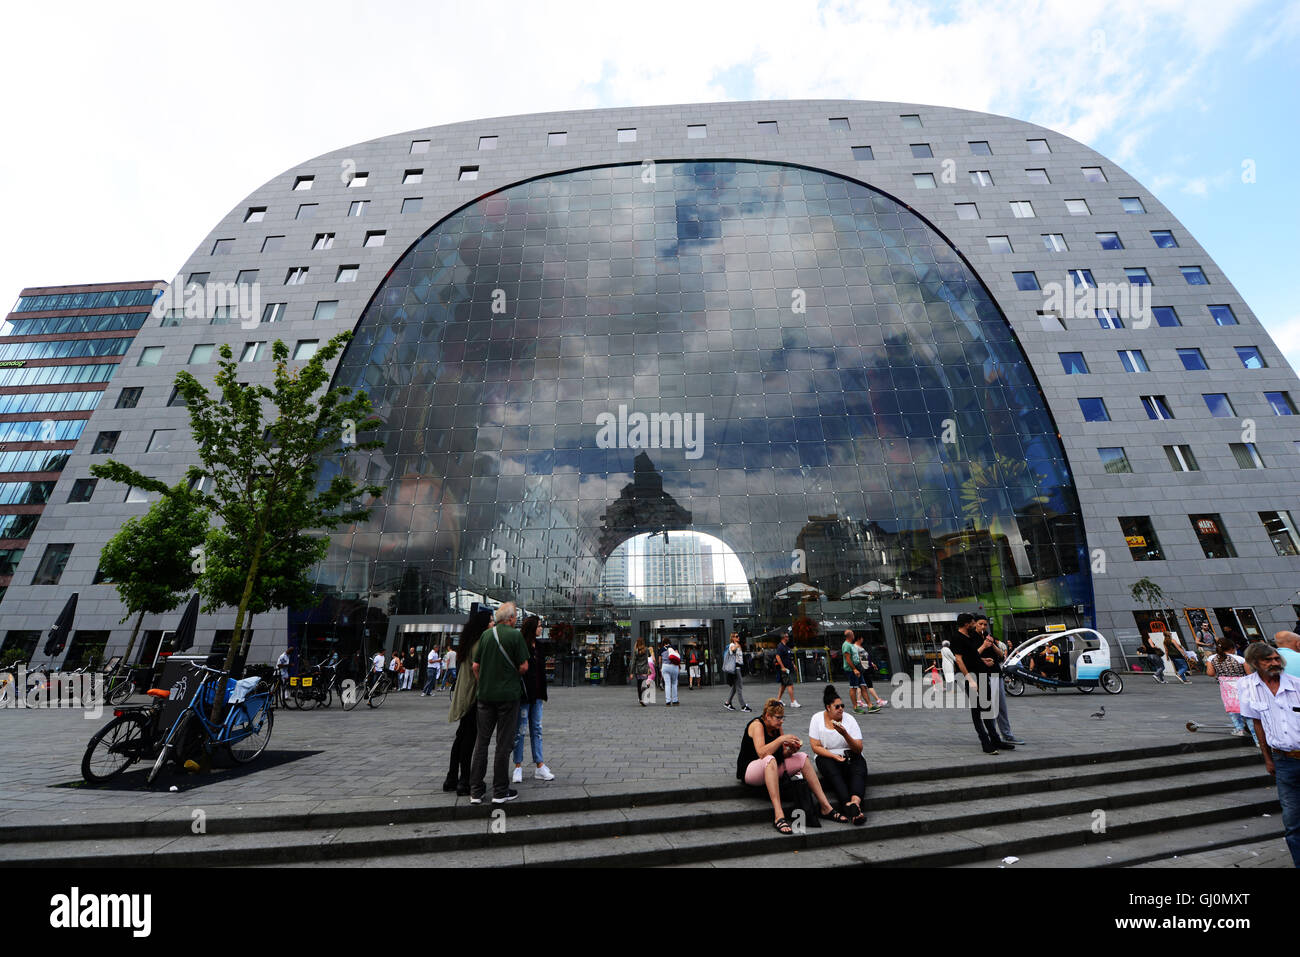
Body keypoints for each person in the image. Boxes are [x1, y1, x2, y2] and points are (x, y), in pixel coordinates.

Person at [736, 698, 848, 834]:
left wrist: (791, 750)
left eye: (782, 718)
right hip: (750, 770)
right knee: (769, 759)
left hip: (771, 766)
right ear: (767, 716)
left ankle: (826, 807)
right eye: (778, 718)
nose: (781, 721)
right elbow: (761, 753)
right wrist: (781, 739)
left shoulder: (777, 726)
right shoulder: (757, 725)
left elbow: (782, 753)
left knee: (802, 757)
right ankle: (779, 815)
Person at [1237, 642, 1300, 867]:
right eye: (1268, 660)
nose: (1274, 663)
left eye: (1276, 659)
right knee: (1292, 819)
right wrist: (1267, 758)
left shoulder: (1296, 684)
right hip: (1283, 760)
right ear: (1255, 663)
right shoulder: (1247, 686)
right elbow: (1257, 724)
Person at [469, 602, 530, 804]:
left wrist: (484, 682)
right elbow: (523, 666)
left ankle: (476, 791)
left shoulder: (486, 635)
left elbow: (475, 666)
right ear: (511, 619)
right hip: (508, 697)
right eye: (515, 618)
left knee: (481, 742)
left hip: (485, 697)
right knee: (503, 745)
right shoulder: (515, 635)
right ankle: (500, 791)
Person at [443, 609, 491, 795]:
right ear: (483, 624)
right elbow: (479, 670)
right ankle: (464, 780)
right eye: (490, 621)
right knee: (469, 738)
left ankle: (451, 777)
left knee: (461, 736)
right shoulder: (479, 643)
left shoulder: (467, 641)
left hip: (462, 693)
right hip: (472, 695)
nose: (493, 624)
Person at [950, 612, 1012, 755]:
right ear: (966, 624)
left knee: (987, 710)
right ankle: (985, 742)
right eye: (973, 622)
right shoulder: (957, 638)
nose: (974, 624)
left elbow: (971, 656)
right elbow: (959, 660)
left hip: (983, 676)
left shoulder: (969, 637)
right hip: (973, 678)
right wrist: (970, 680)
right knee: (977, 712)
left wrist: (984, 661)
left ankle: (995, 740)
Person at [807, 685, 867, 825]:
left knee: (859, 771)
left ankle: (855, 804)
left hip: (850, 754)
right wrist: (834, 756)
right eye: (837, 707)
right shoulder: (817, 719)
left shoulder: (849, 719)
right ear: (828, 707)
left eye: (842, 706)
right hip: (827, 756)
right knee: (834, 775)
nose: (841, 709)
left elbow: (858, 748)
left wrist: (845, 734)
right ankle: (848, 804)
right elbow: (815, 746)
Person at [511, 615, 554, 783]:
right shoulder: (521, 645)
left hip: (537, 695)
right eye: (539, 626)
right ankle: (518, 766)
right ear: (532, 627)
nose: (541, 628)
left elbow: (541, 673)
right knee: (520, 731)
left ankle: (539, 765)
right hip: (524, 695)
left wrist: (543, 693)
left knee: (536, 729)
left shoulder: (540, 646)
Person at [975, 615, 1023, 745]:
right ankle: (993, 736)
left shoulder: (988, 637)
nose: (983, 626)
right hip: (984, 676)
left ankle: (1007, 734)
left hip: (996, 674)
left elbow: (1002, 656)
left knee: (1001, 706)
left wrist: (993, 645)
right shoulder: (972, 638)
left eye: (985, 624)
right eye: (981, 624)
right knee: (990, 707)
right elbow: (972, 657)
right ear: (975, 624)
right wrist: (984, 647)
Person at [1205, 638, 1256, 741]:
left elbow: (1210, 673)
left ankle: (1239, 729)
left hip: (1226, 687)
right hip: (1242, 686)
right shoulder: (1239, 659)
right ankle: (1256, 737)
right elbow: (1250, 674)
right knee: (1247, 711)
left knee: (1233, 709)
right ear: (1232, 648)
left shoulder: (1212, 659)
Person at [854, 633, 887, 710]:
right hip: (863, 669)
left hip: (864, 668)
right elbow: (863, 659)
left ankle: (859, 701)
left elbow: (866, 658)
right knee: (869, 685)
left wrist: (871, 663)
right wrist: (868, 665)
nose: (863, 640)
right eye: (862, 638)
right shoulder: (856, 647)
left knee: (861, 685)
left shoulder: (859, 647)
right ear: (859, 638)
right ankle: (878, 700)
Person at [722, 632, 751, 712]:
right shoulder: (732, 645)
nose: (738, 637)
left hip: (739, 668)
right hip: (736, 669)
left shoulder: (738, 645)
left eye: (738, 636)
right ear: (733, 638)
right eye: (736, 636)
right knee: (739, 687)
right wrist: (736, 646)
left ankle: (727, 703)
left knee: (735, 687)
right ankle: (743, 706)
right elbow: (732, 650)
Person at [775, 632, 800, 708]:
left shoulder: (786, 647)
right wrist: (782, 667)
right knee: (790, 684)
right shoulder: (780, 646)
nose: (788, 638)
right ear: (783, 638)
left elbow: (789, 657)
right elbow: (777, 657)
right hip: (784, 669)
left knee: (783, 685)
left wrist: (793, 665)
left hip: (788, 668)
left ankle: (778, 700)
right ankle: (793, 701)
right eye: (787, 637)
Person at [660, 639, 681, 706]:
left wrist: (660, 667)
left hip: (665, 666)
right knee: (674, 683)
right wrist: (679, 666)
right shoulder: (673, 647)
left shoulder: (662, 649)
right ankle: (675, 700)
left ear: (663, 643)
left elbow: (660, 660)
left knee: (667, 684)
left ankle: (668, 701)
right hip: (674, 666)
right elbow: (678, 657)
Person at [633, 639, 650, 705]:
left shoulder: (636, 651)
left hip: (638, 670)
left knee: (639, 685)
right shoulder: (646, 650)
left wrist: (631, 672)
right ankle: (642, 695)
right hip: (644, 670)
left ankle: (640, 699)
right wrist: (648, 668)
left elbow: (633, 662)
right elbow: (647, 660)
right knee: (647, 684)